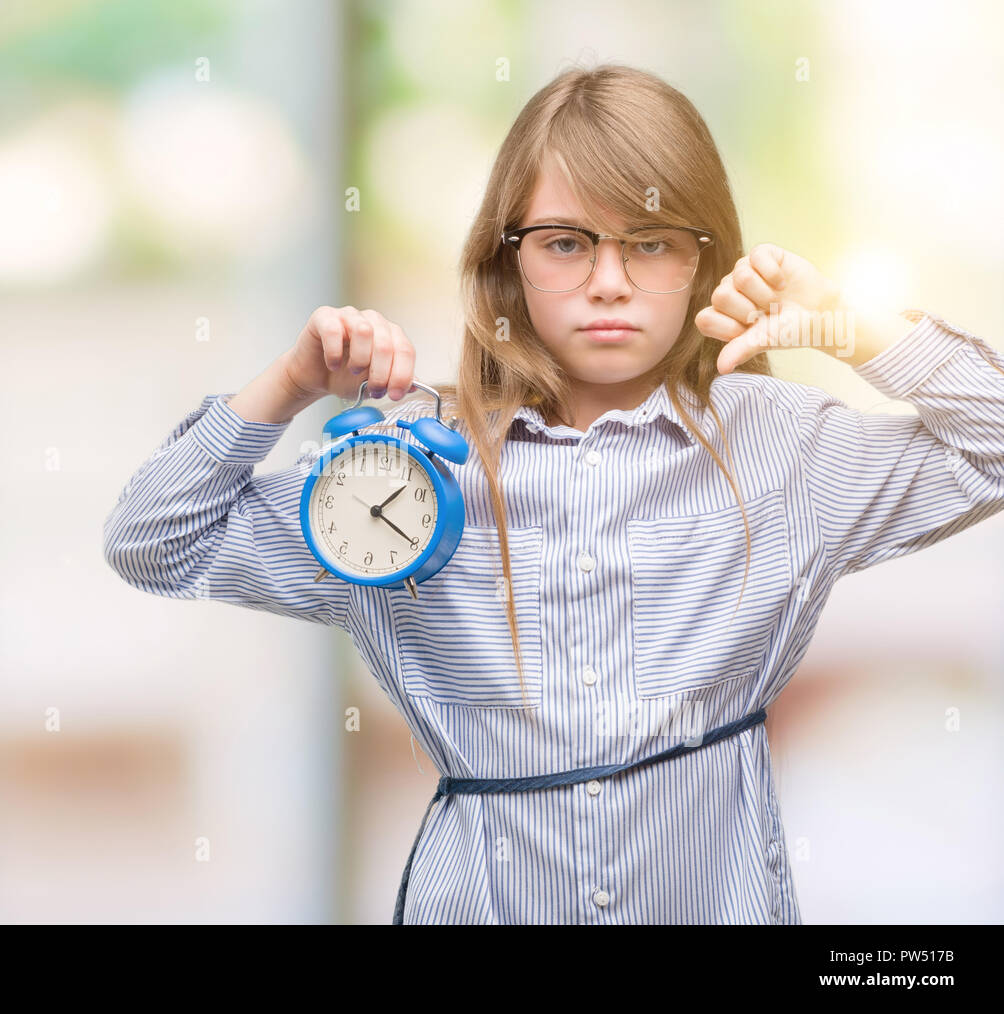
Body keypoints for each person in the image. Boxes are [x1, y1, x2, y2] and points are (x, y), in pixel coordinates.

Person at [102, 64, 1004, 924]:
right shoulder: (401, 464)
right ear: (507, 262)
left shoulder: (780, 446)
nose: (608, 282)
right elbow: (155, 542)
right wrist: (290, 384)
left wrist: (854, 330)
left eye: (650, 243)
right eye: (566, 243)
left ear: (704, 258)